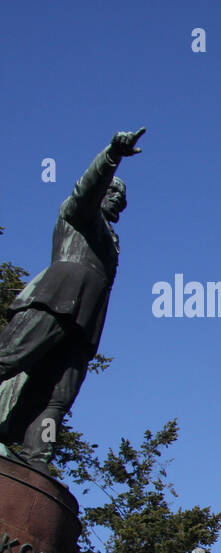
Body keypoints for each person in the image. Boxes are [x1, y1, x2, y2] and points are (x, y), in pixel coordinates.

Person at [0, 128, 145, 474]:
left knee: (57, 399)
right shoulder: (78, 214)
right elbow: (87, 189)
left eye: (120, 196)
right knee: (9, 358)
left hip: (84, 325)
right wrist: (112, 156)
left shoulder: (112, 240)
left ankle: (38, 459)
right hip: (54, 301)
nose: (115, 198)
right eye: (111, 190)